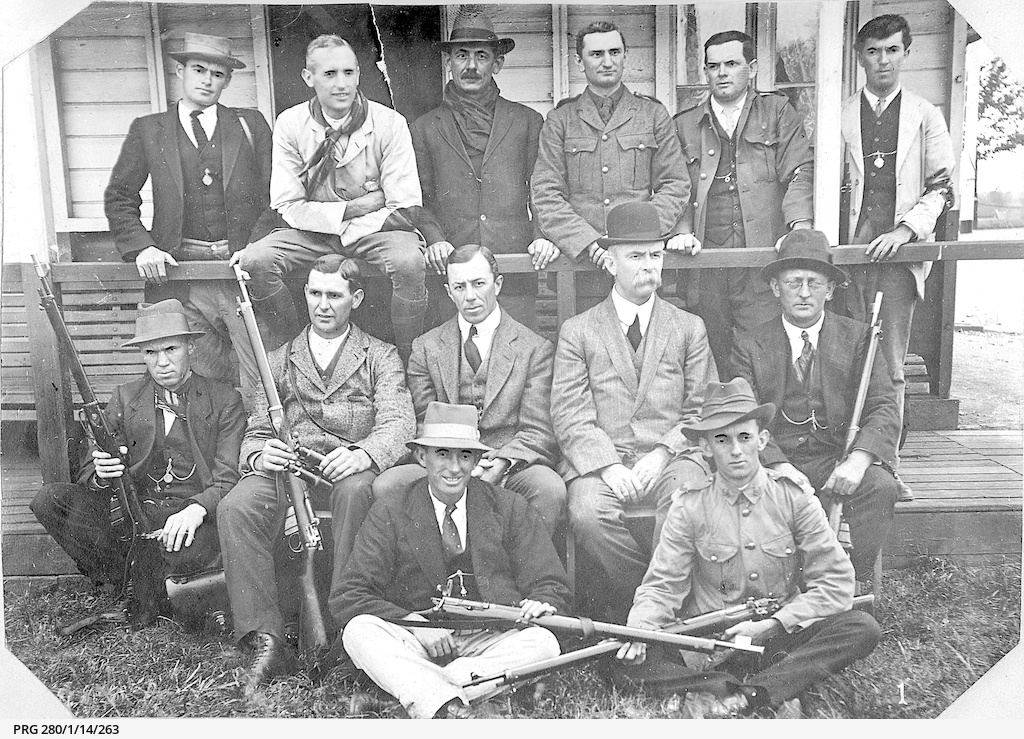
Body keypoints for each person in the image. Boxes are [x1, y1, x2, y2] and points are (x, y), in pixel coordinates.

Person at [616, 377, 881, 718]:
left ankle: (739, 694)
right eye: (722, 440)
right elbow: (663, 585)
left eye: (745, 437)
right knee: (620, 658)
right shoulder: (689, 505)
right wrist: (639, 629)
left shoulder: (793, 497)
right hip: (711, 640)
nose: (736, 450)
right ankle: (756, 687)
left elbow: (836, 582)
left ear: (762, 440)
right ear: (706, 448)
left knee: (862, 627)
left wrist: (774, 624)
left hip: (778, 636)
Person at [217, 255, 414, 688]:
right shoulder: (279, 359)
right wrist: (259, 456)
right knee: (236, 507)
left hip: (350, 473)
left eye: (334, 295)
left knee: (356, 493)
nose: (322, 305)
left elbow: (400, 423)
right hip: (289, 476)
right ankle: (264, 638)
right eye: (314, 293)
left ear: (356, 299)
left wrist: (365, 454)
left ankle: (347, 632)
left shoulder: (380, 355)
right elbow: (254, 435)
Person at [338, 401, 572, 719]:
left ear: (477, 460)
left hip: (491, 639)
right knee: (360, 630)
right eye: (442, 454)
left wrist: (541, 602)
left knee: (543, 643)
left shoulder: (510, 507)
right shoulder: (392, 509)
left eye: (464, 456)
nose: (453, 468)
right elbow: (350, 593)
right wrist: (414, 624)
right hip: (417, 640)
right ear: (422, 457)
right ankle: (465, 698)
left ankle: (426, 696)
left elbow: (550, 582)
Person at [30, 300, 246, 631]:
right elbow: (89, 470)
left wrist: (194, 511)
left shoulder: (224, 400)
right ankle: (122, 582)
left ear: (190, 345)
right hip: (134, 514)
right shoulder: (125, 396)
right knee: (50, 500)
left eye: (171, 348)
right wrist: (103, 474)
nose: (161, 362)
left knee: (186, 553)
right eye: (150, 352)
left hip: (191, 518)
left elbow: (228, 479)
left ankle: (151, 591)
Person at [551, 201, 717, 623]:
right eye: (636, 256)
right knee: (586, 513)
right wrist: (607, 466)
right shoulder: (579, 331)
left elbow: (702, 409)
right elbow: (570, 414)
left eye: (655, 255)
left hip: (672, 458)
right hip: (604, 463)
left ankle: (656, 604)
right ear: (610, 262)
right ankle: (644, 599)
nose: (649, 266)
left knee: (687, 498)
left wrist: (663, 452)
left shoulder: (688, 327)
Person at [233, 35, 426, 363]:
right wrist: (355, 207)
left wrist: (343, 222)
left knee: (409, 260)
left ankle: (411, 359)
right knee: (258, 260)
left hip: (375, 232)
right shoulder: (291, 124)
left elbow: (405, 205)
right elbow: (287, 204)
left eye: (349, 73)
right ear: (309, 78)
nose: (342, 84)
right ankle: (291, 356)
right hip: (311, 234)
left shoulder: (389, 123)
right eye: (330, 74)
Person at [730, 229, 901, 584]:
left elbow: (884, 405)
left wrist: (859, 460)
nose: (804, 293)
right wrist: (777, 464)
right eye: (793, 283)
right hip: (775, 462)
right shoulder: (749, 344)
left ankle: (854, 583)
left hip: (836, 460)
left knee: (880, 486)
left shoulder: (859, 339)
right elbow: (742, 416)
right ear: (776, 288)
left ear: (831, 289)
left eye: (814, 282)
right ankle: (785, 584)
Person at [104, 33, 272, 389]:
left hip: (238, 269)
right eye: (199, 69)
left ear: (227, 79)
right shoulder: (148, 129)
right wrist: (143, 247)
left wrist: (257, 246)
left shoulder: (250, 125)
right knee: (197, 372)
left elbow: (275, 196)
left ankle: (257, 445)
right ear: (180, 71)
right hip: (179, 274)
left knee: (257, 372)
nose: (207, 80)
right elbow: (119, 195)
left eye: (218, 73)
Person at [838, 14, 956, 501]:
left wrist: (905, 229)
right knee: (843, 354)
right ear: (859, 56)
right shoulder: (840, 113)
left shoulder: (925, 114)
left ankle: (887, 466)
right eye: (872, 51)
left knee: (890, 364)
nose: (882, 60)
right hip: (847, 256)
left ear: (906, 53)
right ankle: (844, 455)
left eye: (891, 50)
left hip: (898, 254)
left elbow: (941, 187)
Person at [374, 244, 566, 535]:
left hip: (506, 463)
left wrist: (502, 461)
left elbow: (538, 430)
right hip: (444, 464)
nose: (471, 296)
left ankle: (521, 574)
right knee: (388, 484)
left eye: (479, 284)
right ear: (449, 292)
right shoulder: (426, 347)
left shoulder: (534, 348)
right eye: (460, 287)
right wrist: (449, 464)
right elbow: (422, 422)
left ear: (497, 284)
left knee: (549, 488)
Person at [673, 30, 814, 376]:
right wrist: (682, 231)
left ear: (751, 68)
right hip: (707, 262)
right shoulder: (685, 124)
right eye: (713, 66)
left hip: (760, 260)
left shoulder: (777, 111)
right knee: (713, 353)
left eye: (731, 64)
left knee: (764, 347)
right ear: (705, 72)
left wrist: (798, 229)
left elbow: (798, 171)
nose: (721, 73)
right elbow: (674, 185)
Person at [411, 6, 556, 330]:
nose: (471, 66)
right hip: (451, 269)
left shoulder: (527, 122)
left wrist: (541, 236)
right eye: (462, 55)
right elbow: (418, 198)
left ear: (497, 63)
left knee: (519, 359)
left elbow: (543, 191)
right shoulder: (424, 127)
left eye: (481, 56)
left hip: (513, 262)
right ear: (450, 62)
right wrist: (434, 238)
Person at [531, 20, 693, 294]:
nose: (607, 62)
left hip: (640, 263)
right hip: (582, 267)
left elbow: (676, 184)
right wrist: (588, 243)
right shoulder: (561, 120)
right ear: (579, 61)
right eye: (596, 54)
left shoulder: (653, 115)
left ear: (625, 56)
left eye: (614, 52)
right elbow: (546, 193)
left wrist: (637, 237)